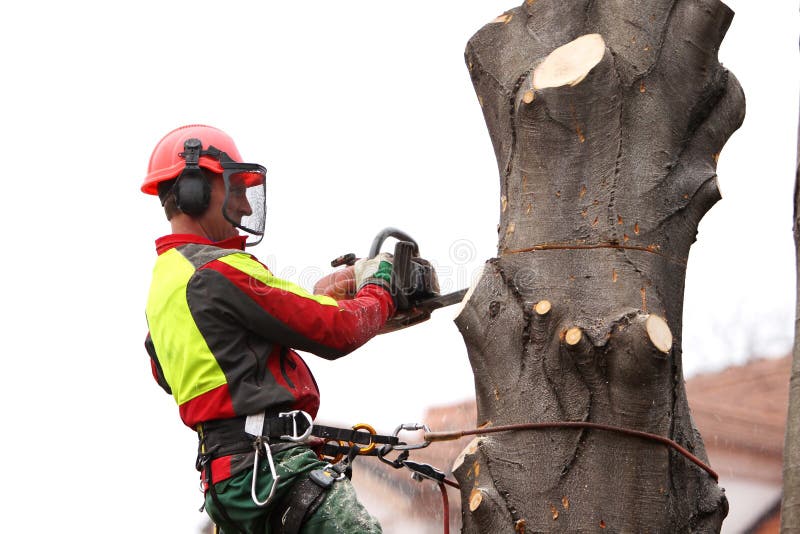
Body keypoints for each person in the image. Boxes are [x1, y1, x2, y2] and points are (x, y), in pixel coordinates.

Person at [141, 124, 395, 533]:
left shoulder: (164, 287)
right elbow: (337, 329)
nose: (243, 207)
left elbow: (170, 376)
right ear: (194, 190)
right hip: (266, 473)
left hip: (227, 484)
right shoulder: (221, 273)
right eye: (236, 189)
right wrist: (381, 289)